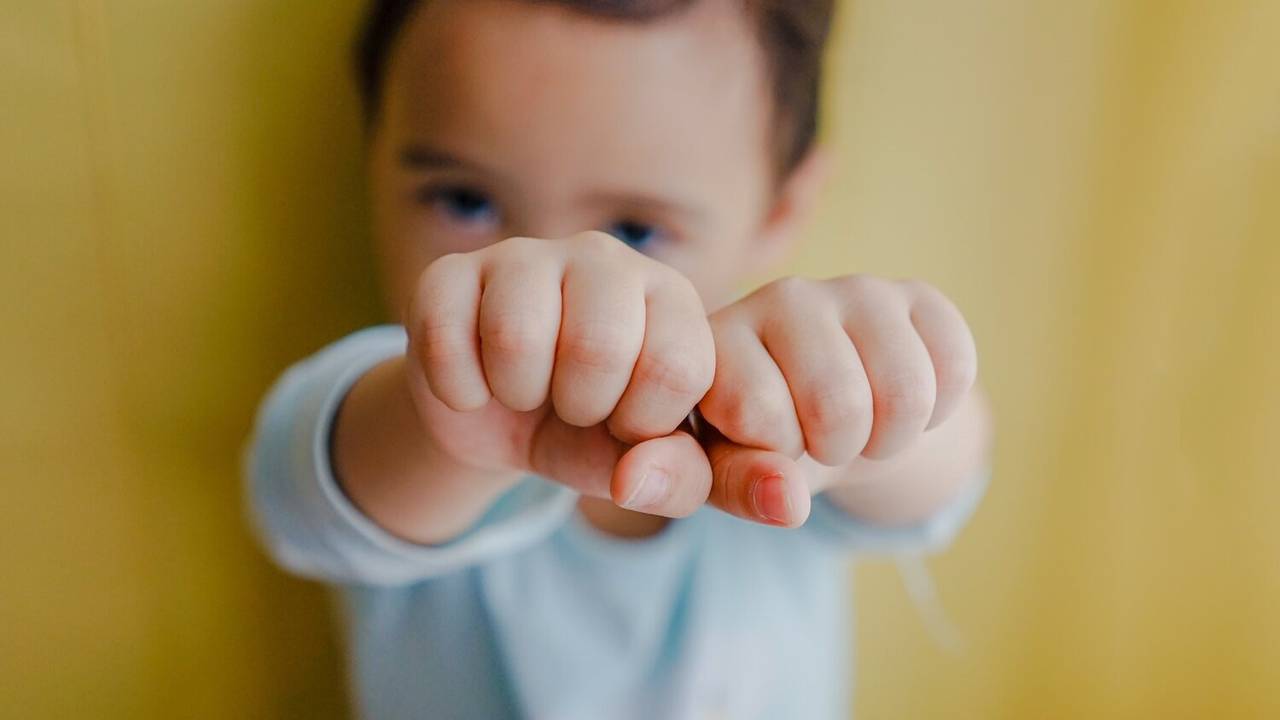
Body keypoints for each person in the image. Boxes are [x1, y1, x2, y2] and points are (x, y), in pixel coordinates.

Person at [246, 0, 992, 717]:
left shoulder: (778, 397)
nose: (551, 280)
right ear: (371, 154)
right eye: (465, 199)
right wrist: (451, 421)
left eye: (636, 228)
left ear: (780, 214)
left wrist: (866, 401)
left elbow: (943, 472)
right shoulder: (389, 399)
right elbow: (301, 500)